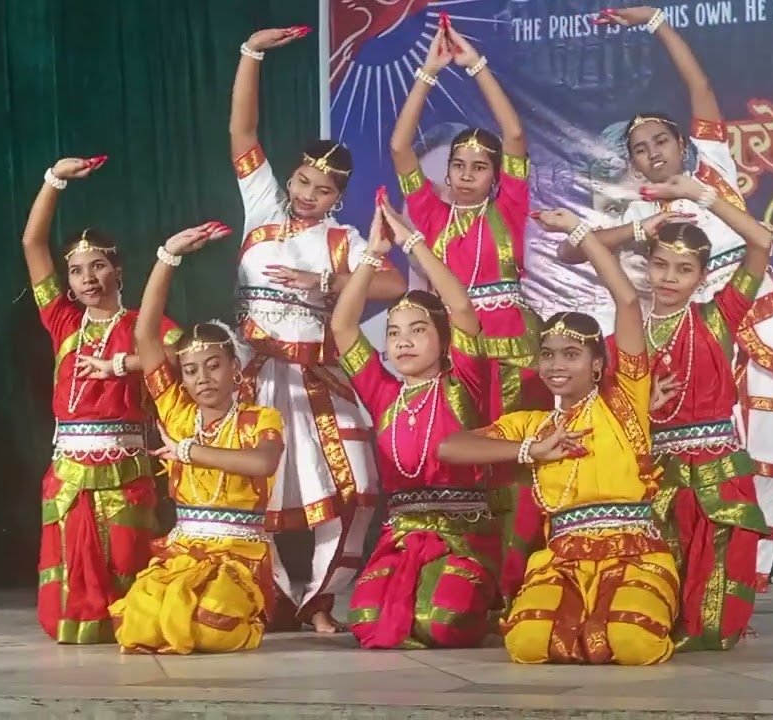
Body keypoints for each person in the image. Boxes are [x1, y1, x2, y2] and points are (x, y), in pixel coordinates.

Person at [559, 6, 773, 588]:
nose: (653, 153)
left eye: (661, 140)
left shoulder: (713, 169)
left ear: (681, 142)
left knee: (767, 448)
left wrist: (655, 22)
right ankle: (690, 572)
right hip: (695, 335)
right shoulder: (641, 212)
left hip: (758, 315)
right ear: (631, 162)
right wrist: (639, 230)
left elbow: (699, 84)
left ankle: (752, 575)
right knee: (702, 451)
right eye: (640, 149)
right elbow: (578, 249)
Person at [436, 208, 680, 665]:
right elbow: (450, 446)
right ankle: (589, 620)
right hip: (564, 560)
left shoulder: (624, 401)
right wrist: (529, 450)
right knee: (527, 644)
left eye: (571, 354)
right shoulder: (533, 423)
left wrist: (577, 231)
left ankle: (620, 618)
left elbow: (627, 302)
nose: (555, 365)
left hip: (633, 553)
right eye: (547, 355)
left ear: (597, 364)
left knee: (631, 643)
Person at [230, 26, 408, 633]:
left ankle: (320, 599)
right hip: (254, 375)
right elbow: (242, 134)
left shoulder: (343, 241)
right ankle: (272, 593)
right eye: (304, 181)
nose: (308, 194)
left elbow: (393, 286)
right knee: (254, 488)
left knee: (355, 489)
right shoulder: (262, 211)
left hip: (320, 375)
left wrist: (328, 286)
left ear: (338, 196)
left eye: (323, 189)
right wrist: (252, 54)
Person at [388, 14, 548, 602]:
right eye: (458, 166)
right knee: (469, 453)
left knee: (517, 458)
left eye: (479, 168)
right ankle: (469, 576)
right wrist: (427, 75)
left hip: (513, 346)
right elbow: (401, 146)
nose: (466, 175)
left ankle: (520, 578)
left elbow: (515, 137)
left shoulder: (508, 207)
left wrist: (476, 66)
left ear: (494, 177)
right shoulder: (430, 214)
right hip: (456, 347)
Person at [22, 156, 184, 644]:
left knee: (126, 555)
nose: (87, 277)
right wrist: (53, 178)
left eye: (97, 266)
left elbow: (176, 357)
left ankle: (131, 624)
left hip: (126, 462)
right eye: (75, 271)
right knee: (75, 560)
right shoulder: (63, 323)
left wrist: (121, 365)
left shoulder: (142, 325)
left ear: (118, 269)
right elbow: (32, 243)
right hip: (69, 464)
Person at [108, 222, 285, 655]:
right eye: (190, 370)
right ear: (181, 379)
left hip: (239, 555)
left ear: (234, 369)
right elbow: (147, 337)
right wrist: (167, 255)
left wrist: (189, 451)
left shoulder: (260, 418)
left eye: (213, 366)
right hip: (185, 549)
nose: (202, 378)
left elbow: (262, 464)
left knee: (211, 625)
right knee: (138, 624)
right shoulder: (178, 411)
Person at [333, 196, 501, 649]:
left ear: (445, 342)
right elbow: (344, 326)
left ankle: (482, 598)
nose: (403, 342)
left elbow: (462, 309)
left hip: (463, 536)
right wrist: (372, 253)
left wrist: (412, 243)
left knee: (441, 621)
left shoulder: (463, 383)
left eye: (418, 330)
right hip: (403, 536)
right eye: (393, 333)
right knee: (366, 620)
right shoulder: (383, 392)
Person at [638, 174, 773, 651]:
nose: (670, 278)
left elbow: (761, 242)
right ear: (647, 268)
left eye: (683, 269)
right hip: (660, 474)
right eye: (661, 266)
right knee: (660, 588)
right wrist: (645, 404)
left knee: (713, 623)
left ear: (701, 276)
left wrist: (706, 198)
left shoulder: (718, 317)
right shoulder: (630, 333)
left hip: (719, 470)